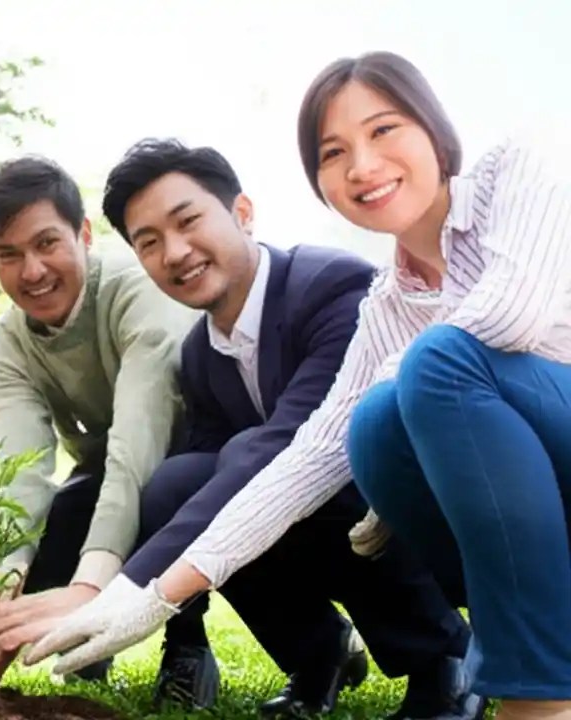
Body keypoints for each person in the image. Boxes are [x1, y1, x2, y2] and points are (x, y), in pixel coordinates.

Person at [31, 50, 571, 720]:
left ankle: (531, 695)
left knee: (395, 400)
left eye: (383, 130)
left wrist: (402, 388)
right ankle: (322, 656)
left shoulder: (515, 169)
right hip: (496, 495)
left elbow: (510, 313)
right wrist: (152, 593)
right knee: (359, 431)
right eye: (334, 152)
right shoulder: (387, 302)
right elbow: (307, 456)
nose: (363, 167)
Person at [16, 136, 473, 717]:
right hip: (319, 521)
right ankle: (318, 655)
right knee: (178, 483)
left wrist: (136, 588)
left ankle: (446, 660)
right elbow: (211, 486)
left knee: (330, 477)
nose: (175, 253)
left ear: (243, 213)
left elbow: (291, 447)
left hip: (435, 512)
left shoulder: (333, 289)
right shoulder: (201, 356)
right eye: (148, 243)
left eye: (188, 222)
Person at [0, 156, 198, 689]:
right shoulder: (8, 341)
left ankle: (189, 645)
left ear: (83, 234)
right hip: (106, 466)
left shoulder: (134, 288)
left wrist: (90, 586)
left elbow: (135, 445)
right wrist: (1, 589)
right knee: (64, 515)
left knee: (166, 492)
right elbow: (18, 470)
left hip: (195, 456)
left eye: (47, 243)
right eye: (9, 254)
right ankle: (85, 651)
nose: (33, 272)